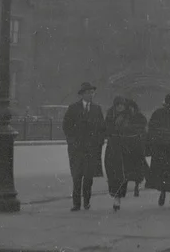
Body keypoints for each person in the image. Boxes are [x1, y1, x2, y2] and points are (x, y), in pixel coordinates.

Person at [62, 82, 106, 212]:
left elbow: (102, 128)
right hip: (77, 149)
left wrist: (99, 142)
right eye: (88, 93)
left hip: (91, 150)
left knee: (88, 178)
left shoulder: (97, 109)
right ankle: (76, 204)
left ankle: (86, 202)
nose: (90, 95)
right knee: (76, 177)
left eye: (92, 92)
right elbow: (66, 126)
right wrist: (72, 141)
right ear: (82, 94)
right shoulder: (73, 108)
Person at [104, 97, 149, 212]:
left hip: (125, 149)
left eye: (122, 105)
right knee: (114, 175)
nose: (119, 107)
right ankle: (116, 197)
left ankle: (118, 198)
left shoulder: (131, 116)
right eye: (117, 105)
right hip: (113, 148)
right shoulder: (110, 116)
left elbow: (141, 125)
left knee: (122, 175)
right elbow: (106, 129)